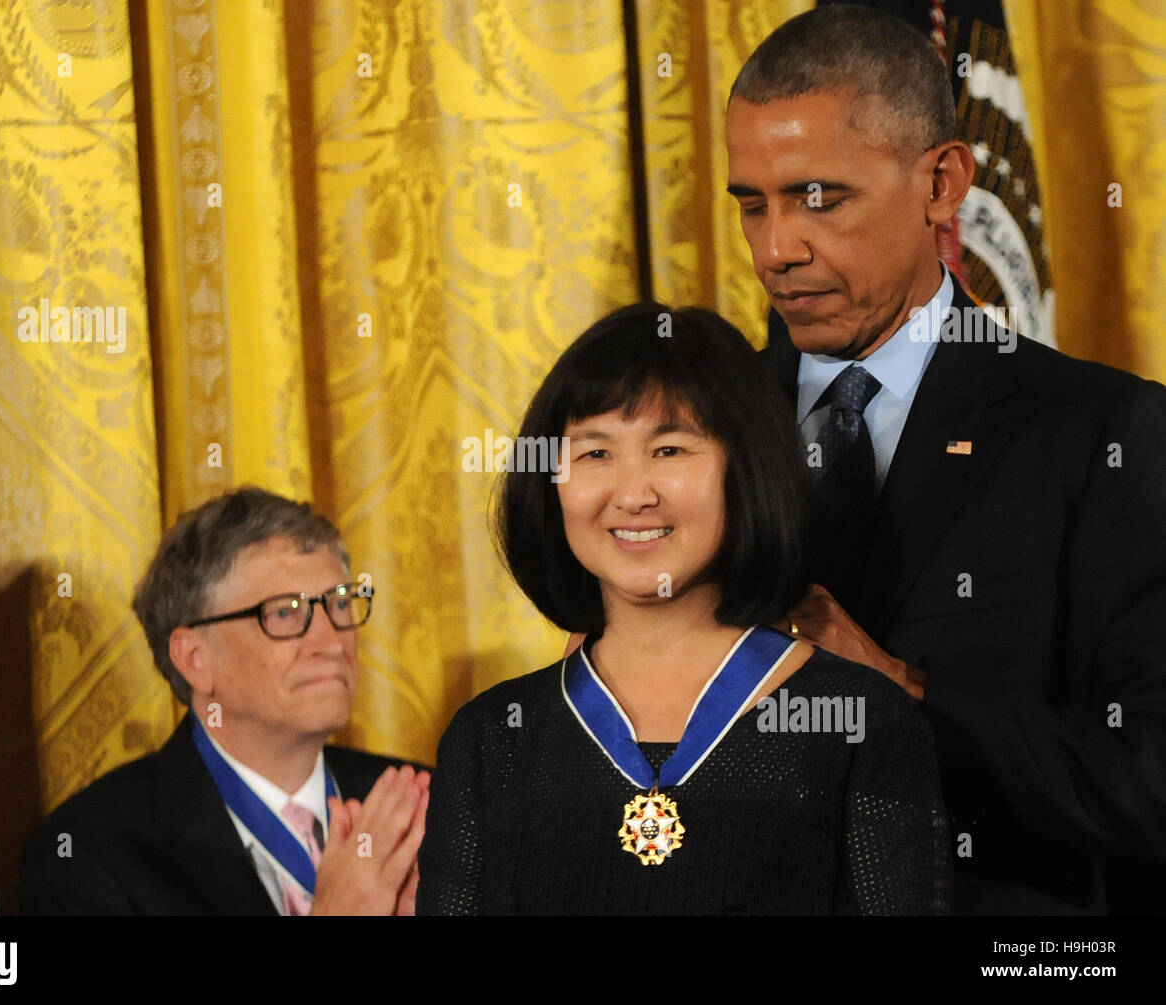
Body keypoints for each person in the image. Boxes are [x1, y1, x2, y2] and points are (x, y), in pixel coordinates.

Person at [725, 4, 1166, 912]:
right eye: (752, 205)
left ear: (943, 182)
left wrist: (903, 691)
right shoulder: (695, 427)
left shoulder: (1102, 431)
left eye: (819, 199)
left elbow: (1149, 782)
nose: (777, 250)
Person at [418, 304, 950, 915]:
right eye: (595, 453)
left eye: (669, 450)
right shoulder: (491, 738)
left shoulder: (859, 721)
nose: (634, 494)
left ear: (744, 469)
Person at [20, 488, 428, 915]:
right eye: (285, 613)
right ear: (195, 659)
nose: (330, 642)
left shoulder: (429, 803)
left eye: (340, 603)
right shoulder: (84, 856)